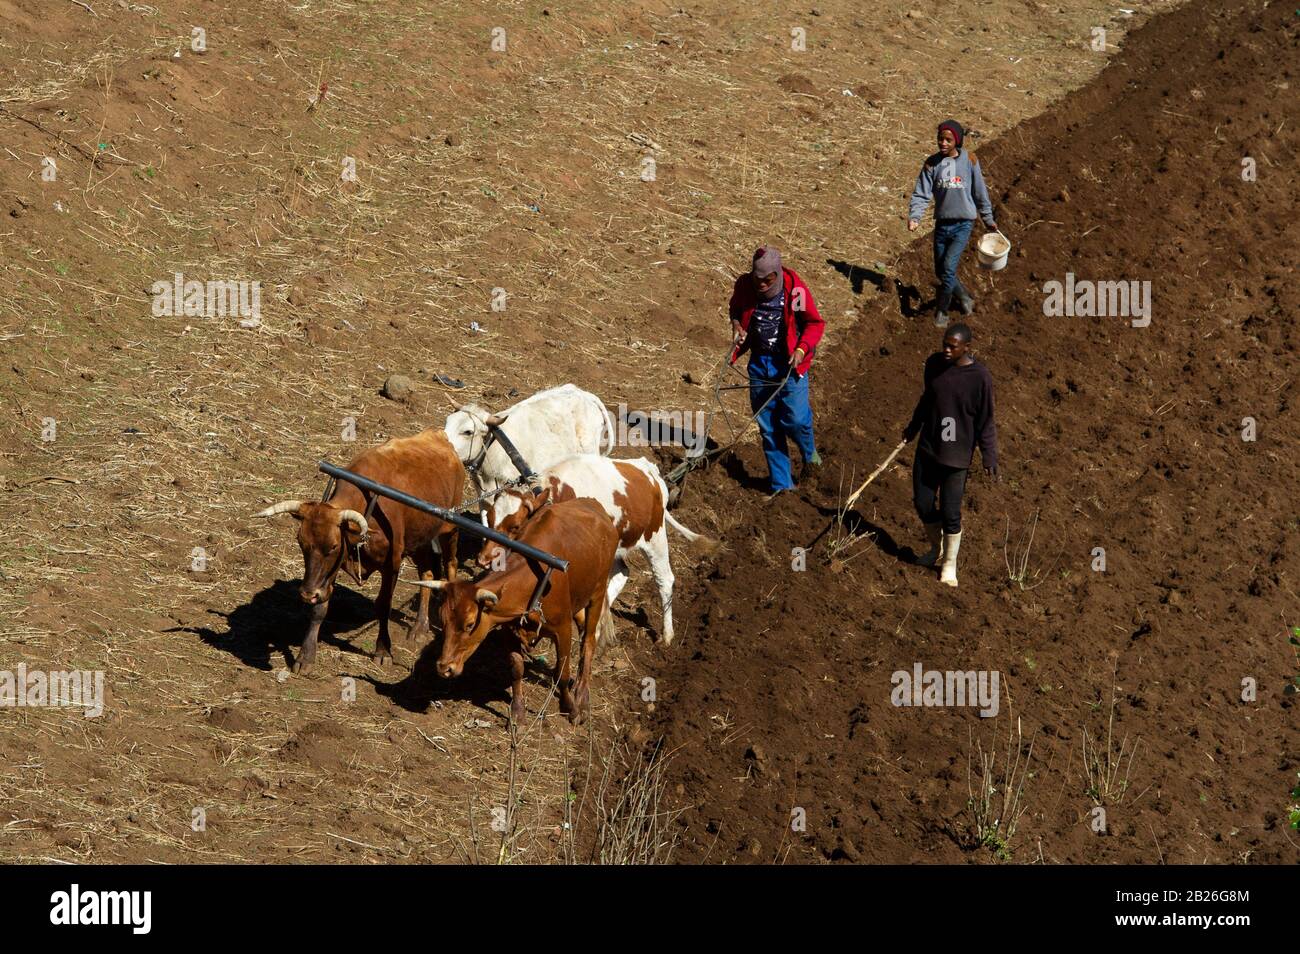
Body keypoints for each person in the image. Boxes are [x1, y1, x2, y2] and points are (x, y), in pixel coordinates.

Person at [901, 323, 999, 586]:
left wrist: (989, 455)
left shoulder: (980, 378)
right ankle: (936, 548)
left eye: (952, 346)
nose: (945, 349)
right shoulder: (934, 365)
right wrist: (913, 427)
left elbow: (985, 420)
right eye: (944, 344)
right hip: (929, 447)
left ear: (966, 347)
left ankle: (949, 564)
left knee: (950, 512)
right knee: (923, 503)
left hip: (956, 456)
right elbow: (927, 400)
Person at [728, 246, 824, 498]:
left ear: (777, 274)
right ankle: (782, 485)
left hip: (790, 364)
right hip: (760, 363)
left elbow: (814, 323)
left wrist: (802, 350)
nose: (761, 285)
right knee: (768, 426)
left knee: (795, 419)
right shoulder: (744, 286)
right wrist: (737, 326)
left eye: (767, 280)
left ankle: (810, 454)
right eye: (757, 279)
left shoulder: (795, 291)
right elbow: (736, 310)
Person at [907, 119, 998, 328]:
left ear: (957, 141)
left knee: (948, 267)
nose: (943, 143)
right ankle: (965, 297)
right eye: (940, 139)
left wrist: (988, 219)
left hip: (963, 224)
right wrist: (915, 217)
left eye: (948, 140)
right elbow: (921, 194)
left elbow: (979, 192)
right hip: (942, 225)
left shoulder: (970, 161)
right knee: (941, 271)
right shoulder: (931, 164)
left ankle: (942, 310)